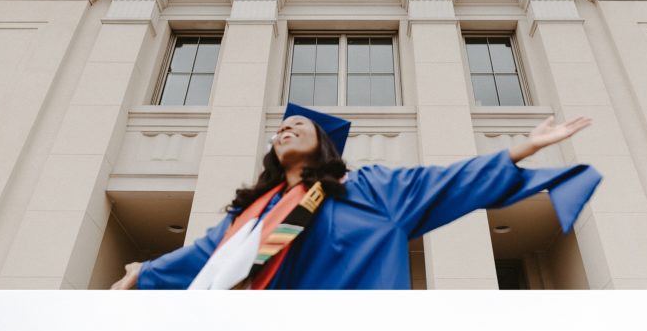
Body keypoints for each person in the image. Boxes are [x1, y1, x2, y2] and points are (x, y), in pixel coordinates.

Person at [111, 103, 601, 290]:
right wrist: (142, 273)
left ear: (322, 141)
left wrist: (524, 147)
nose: (287, 127)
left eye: (298, 124)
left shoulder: (370, 191)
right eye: (281, 127)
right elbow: (203, 258)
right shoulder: (251, 218)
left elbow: (447, 179)